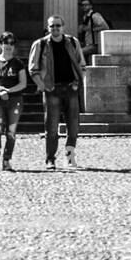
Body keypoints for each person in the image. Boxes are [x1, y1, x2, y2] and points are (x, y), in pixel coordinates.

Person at [28, 15, 86, 170]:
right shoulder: (40, 44)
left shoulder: (73, 42)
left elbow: (82, 64)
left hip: (70, 88)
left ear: (63, 26)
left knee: (73, 127)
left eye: (58, 25)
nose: (55, 28)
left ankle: (70, 158)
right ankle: (50, 159)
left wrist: (77, 83)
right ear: (48, 27)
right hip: (52, 89)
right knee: (52, 128)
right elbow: (33, 68)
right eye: (52, 26)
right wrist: (43, 85)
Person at [0, 31, 27, 171]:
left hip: (14, 100)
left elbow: (23, 83)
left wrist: (9, 91)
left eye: (11, 43)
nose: (8, 46)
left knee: (11, 131)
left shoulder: (18, 63)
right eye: (5, 42)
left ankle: (7, 159)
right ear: (1, 44)